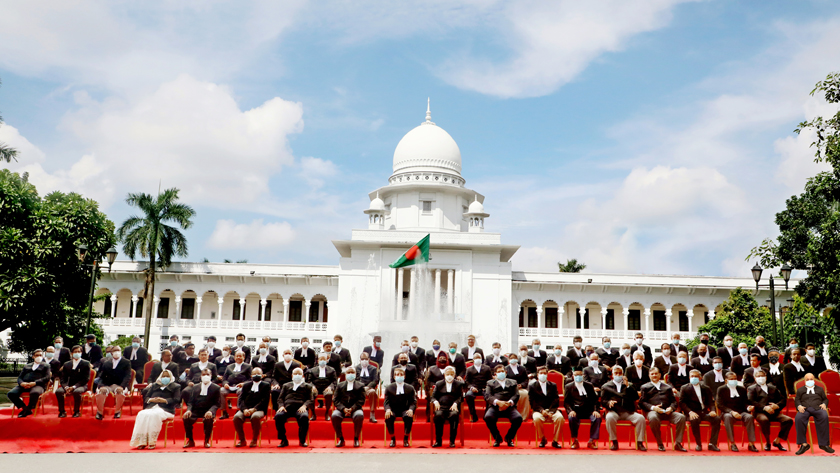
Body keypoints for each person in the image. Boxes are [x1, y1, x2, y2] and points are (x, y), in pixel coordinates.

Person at [640, 367, 686, 452]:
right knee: (653, 418)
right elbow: (642, 403)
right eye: (652, 374)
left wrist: (671, 408)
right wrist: (654, 408)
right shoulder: (645, 387)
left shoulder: (667, 387)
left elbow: (674, 402)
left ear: (659, 375)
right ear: (649, 376)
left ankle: (678, 443)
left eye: (656, 373)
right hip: (653, 412)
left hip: (667, 412)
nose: (654, 375)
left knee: (681, 417)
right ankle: (660, 443)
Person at [131, 370, 180, 449]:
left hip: (166, 410)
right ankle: (141, 441)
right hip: (152, 407)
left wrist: (165, 400)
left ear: (171, 377)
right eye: (163, 376)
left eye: (167, 376)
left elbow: (177, 399)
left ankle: (151, 442)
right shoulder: (155, 385)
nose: (165, 378)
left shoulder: (175, 386)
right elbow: (146, 397)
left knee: (155, 415)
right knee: (141, 414)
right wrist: (151, 400)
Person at [601, 365, 646, 451]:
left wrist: (628, 386)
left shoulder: (630, 385)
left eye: (620, 373)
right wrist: (608, 403)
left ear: (623, 374)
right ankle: (614, 441)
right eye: (616, 373)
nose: (618, 375)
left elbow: (636, 397)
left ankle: (640, 442)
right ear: (612, 375)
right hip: (614, 411)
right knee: (609, 417)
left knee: (640, 418)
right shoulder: (606, 386)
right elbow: (603, 401)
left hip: (628, 411)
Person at [747, 369, 792, 451]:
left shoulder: (773, 387)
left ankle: (777, 441)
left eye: (762, 376)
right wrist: (764, 407)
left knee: (788, 420)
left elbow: (783, 400)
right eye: (758, 376)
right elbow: (751, 401)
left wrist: (777, 406)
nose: (761, 378)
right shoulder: (752, 388)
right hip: (759, 412)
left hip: (774, 412)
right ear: (755, 378)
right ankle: (768, 442)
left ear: (766, 377)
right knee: (764, 420)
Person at [679, 369, 721, 452]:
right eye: (692, 376)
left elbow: (711, 402)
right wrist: (690, 412)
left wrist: (712, 410)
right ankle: (699, 444)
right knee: (694, 420)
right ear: (689, 377)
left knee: (717, 419)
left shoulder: (706, 388)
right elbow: (682, 403)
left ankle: (712, 444)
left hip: (704, 412)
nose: (694, 378)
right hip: (692, 412)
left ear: (700, 378)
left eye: (696, 376)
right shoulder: (684, 388)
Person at [793, 373, 834, 454]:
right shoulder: (800, 390)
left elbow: (825, 399)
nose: (809, 381)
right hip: (805, 409)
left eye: (811, 379)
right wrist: (799, 406)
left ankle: (824, 444)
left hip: (818, 408)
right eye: (807, 380)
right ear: (804, 381)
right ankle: (804, 444)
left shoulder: (820, 389)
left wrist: (824, 404)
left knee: (824, 416)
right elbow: (797, 400)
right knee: (799, 418)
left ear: (814, 380)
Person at [717, 371, 757, 452]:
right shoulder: (721, 389)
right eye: (731, 379)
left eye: (735, 379)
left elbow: (745, 403)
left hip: (741, 412)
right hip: (727, 413)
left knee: (750, 417)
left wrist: (748, 407)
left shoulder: (742, 389)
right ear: (726, 380)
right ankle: (732, 443)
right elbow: (720, 405)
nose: (733, 380)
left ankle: (751, 443)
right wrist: (732, 412)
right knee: (728, 417)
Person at [483, 364, 522, 447]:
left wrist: (509, 403)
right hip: (495, 407)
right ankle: (497, 437)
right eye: (499, 372)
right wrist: (498, 402)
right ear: (495, 374)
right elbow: (488, 396)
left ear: (506, 372)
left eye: (502, 371)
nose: (501, 373)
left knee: (518, 418)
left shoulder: (513, 382)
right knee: (488, 417)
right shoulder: (490, 383)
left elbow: (516, 395)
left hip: (509, 407)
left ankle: (509, 437)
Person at [274, 367, 313, 447]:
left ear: (303, 376)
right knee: (278, 416)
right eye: (295, 374)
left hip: (300, 408)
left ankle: (302, 440)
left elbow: (310, 399)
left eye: (299, 374)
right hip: (287, 408)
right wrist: (281, 406)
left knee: (304, 417)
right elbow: (280, 398)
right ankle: (283, 440)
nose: (297, 375)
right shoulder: (286, 385)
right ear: (292, 376)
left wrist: (304, 406)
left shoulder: (307, 386)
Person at [182, 368, 221, 448]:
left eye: (207, 374)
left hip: (208, 410)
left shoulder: (216, 388)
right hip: (196, 410)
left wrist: (211, 411)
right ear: (201, 376)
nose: (205, 376)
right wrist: (188, 410)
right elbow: (190, 402)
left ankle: (206, 440)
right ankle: (191, 440)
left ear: (211, 376)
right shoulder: (195, 387)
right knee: (186, 418)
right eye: (203, 374)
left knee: (209, 418)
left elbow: (217, 403)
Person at [564, 369, 601, 450]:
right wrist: (570, 411)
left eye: (580, 375)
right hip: (575, 411)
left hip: (588, 410)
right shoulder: (568, 386)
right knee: (571, 418)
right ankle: (575, 440)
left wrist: (595, 410)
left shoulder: (589, 385)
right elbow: (566, 402)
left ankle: (591, 441)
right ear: (573, 376)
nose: (578, 377)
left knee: (597, 418)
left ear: (583, 376)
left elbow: (595, 400)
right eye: (576, 375)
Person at [234, 367, 270, 448]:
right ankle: (242, 440)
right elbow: (241, 399)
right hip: (246, 408)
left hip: (259, 409)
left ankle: (254, 439)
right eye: (254, 374)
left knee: (255, 417)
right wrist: (244, 409)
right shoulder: (246, 385)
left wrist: (254, 409)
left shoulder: (266, 385)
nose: (256, 375)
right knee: (236, 417)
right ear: (251, 375)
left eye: (258, 373)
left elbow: (264, 400)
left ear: (262, 375)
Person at [9, 349, 51, 417]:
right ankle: (25, 408)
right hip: (24, 385)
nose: (39, 357)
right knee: (11, 393)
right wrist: (22, 383)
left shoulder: (46, 366)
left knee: (35, 393)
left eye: (40, 355)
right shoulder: (27, 366)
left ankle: (29, 408)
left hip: (38, 385)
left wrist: (34, 383)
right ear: (33, 357)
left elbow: (47, 377)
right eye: (37, 355)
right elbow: (20, 377)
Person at [331, 366, 366, 447]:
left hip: (355, 409)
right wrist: (343, 408)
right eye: (348, 372)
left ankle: (356, 438)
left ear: (355, 374)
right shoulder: (340, 385)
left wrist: (352, 408)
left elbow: (361, 400)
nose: (350, 374)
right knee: (334, 415)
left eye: (352, 372)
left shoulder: (360, 385)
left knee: (359, 415)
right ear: (345, 374)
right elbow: (335, 399)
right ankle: (341, 439)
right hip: (341, 409)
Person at [530, 367, 563, 448]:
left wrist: (551, 411)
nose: (543, 375)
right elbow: (532, 401)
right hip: (539, 410)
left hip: (552, 409)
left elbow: (556, 399)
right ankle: (542, 438)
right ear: (537, 375)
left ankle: (555, 441)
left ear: (547, 375)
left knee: (560, 418)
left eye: (544, 373)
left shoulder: (553, 385)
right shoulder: (532, 386)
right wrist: (541, 410)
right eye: (541, 373)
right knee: (537, 419)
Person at [95, 345, 131, 419]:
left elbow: (127, 376)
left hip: (120, 384)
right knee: (101, 392)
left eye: (118, 350)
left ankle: (117, 412)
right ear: (111, 353)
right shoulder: (106, 363)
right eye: (115, 350)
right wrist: (101, 386)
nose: (117, 352)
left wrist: (122, 386)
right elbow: (101, 377)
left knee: (120, 392)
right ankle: (99, 413)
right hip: (107, 384)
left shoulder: (126, 362)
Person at [384, 367, 416, 447]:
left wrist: (411, 409)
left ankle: (406, 438)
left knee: (409, 416)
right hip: (393, 409)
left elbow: (413, 402)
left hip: (405, 409)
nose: (399, 376)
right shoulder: (389, 388)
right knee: (388, 417)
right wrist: (388, 409)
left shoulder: (410, 388)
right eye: (397, 375)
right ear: (394, 377)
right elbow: (386, 401)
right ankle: (392, 439)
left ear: (404, 376)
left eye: (401, 374)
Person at [432, 366, 463, 448]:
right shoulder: (439, 384)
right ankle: (438, 441)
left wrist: (456, 403)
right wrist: (435, 402)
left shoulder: (458, 384)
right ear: (444, 374)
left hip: (453, 407)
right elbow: (433, 396)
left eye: (451, 374)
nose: (449, 376)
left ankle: (452, 441)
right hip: (441, 407)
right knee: (438, 416)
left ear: (454, 375)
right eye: (448, 374)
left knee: (454, 415)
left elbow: (460, 397)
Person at [57, 345, 91, 418]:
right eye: (75, 352)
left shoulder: (86, 363)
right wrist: (66, 386)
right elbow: (63, 378)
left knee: (77, 391)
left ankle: (76, 411)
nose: (77, 353)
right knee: (59, 391)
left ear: (81, 353)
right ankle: (62, 411)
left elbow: (86, 379)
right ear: (72, 353)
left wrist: (74, 387)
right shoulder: (66, 364)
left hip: (81, 385)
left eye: (79, 351)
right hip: (68, 385)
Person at [220, 350, 252, 419]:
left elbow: (250, 379)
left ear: (244, 357)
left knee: (241, 391)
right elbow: (224, 379)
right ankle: (224, 412)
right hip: (230, 386)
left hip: (241, 387)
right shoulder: (229, 367)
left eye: (240, 356)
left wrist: (244, 384)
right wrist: (225, 384)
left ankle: (238, 410)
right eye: (237, 356)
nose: (238, 357)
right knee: (221, 390)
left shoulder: (248, 367)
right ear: (234, 357)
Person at [306, 352, 337, 420]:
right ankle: (313, 413)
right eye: (321, 359)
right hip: (316, 388)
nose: (322, 361)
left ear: (327, 360)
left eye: (324, 359)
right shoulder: (312, 370)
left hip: (326, 388)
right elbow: (309, 381)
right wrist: (312, 386)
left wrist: (330, 387)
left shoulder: (332, 370)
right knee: (310, 394)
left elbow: (334, 382)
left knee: (329, 394)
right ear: (318, 361)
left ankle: (327, 413)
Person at [464, 353, 491, 422]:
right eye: (476, 358)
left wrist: (487, 387)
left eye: (479, 358)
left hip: (484, 388)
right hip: (474, 388)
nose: (478, 359)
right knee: (468, 395)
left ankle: (487, 415)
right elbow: (467, 381)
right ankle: (474, 415)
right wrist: (471, 388)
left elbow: (490, 380)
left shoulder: (487, 368)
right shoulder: (469, 369)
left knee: (490, 395)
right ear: (473, 360)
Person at [356, 352, 380, 422]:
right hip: (359, 388)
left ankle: (372, 414)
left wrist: (368, 387)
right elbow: (355, 379)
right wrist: (362, 387)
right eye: (362, 359)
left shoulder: (374, 369)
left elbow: (375, 380)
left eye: (365, 359)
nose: (364, 360)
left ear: (369, 359)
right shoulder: (356, 368)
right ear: (360, 360)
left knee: (372, 392)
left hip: (369, 388)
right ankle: (356, 412)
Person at [505, 353, 530, 417]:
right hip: (509, 388)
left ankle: (523, 416)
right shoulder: (505, 369)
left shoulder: (522, 368)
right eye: (511, 358)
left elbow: (526, 379)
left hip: (520, 388)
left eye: (514, 358)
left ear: (517, 359)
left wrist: (521, 385)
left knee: (525, 394)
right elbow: (504, 380)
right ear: (508, 359)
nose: (513, 359)